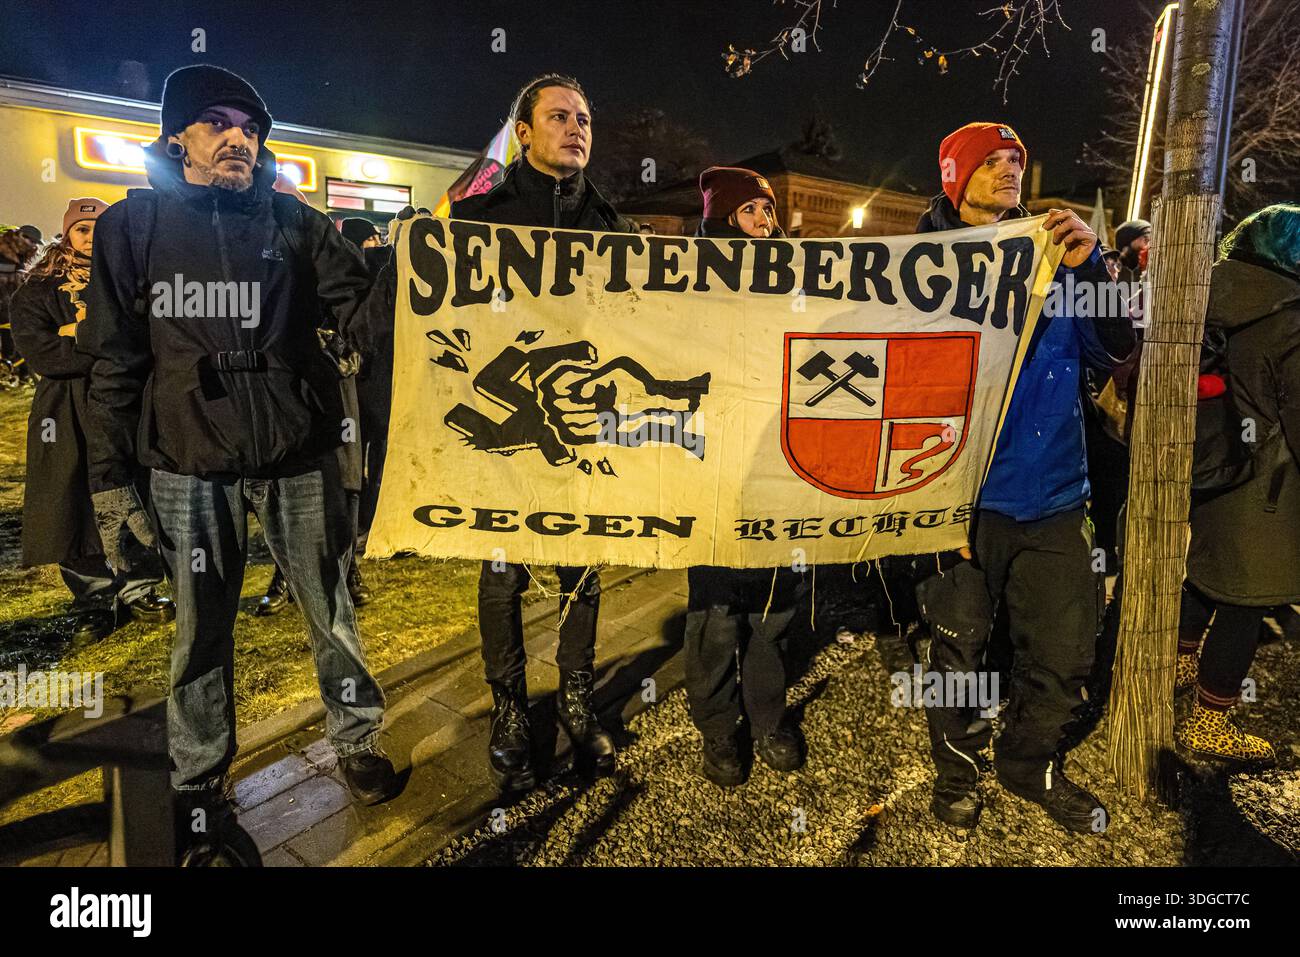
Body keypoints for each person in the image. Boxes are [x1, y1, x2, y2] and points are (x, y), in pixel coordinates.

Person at [77, 65, 399, 839]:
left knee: (330, 605)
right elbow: (114, 357)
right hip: (188, 461)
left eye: (250, 128)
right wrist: (110, 477)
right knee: (200, 625)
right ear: (177, 136)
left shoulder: (294, 222)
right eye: (218, 122)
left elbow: (363, 310)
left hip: (298, 451)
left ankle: (356, 737)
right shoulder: (135, 227)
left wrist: (414, 268)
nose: (238, 139)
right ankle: (197, 776)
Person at [915, 122, 1132, 834]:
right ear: (955, 176)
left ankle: (1026, 759)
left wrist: (1092, 266)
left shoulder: (1057, 253)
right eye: (992, 161)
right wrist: (934, 512)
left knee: (1068, 648)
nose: (1010, 169)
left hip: (1056, 496)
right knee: (960, 648)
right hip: (962, 501)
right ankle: (957, 771)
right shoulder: (919, 267)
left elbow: (1117, 350)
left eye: (1016, 159)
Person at [450, 73, 634, 792]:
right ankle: (510, 707)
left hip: (582, 436)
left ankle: (577, 696)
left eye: (585, 118)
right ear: (522, 133)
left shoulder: (614, 229)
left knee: (581, 571)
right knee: (501, 573)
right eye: (560, 116)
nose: (577, 127)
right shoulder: (477, 221)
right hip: (504, 431)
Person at [683, 166, 808, 786]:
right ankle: (717, 729)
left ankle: (767, 718)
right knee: (712, 612)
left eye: (769, 210)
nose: (769, 221)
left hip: (772, 462)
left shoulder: (789, 276)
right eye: (754, 211)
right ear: (725, 217)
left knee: (773, 606)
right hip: (708, 467)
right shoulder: (683, 284)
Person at [10, 198, 173, 640]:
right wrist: (96, 341)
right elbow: (42, 353)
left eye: (101, 229)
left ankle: (140, 586)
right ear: (67, 234)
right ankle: (94, 598)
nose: (93, 238)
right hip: (67, 409)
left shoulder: (130, 281)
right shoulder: (38, 290)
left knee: (131, 491)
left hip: (126, 404)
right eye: (83, 230)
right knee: (73, 500)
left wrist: (76, 333)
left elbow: (145, 340)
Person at [1175, 204, 1300, 765]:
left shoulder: (1212, 294)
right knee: (1248, 603)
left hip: (1215, 464)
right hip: (1268, 486)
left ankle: (1173, 665)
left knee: (1206, 578)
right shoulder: (1291, 315)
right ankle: (1210, 721)